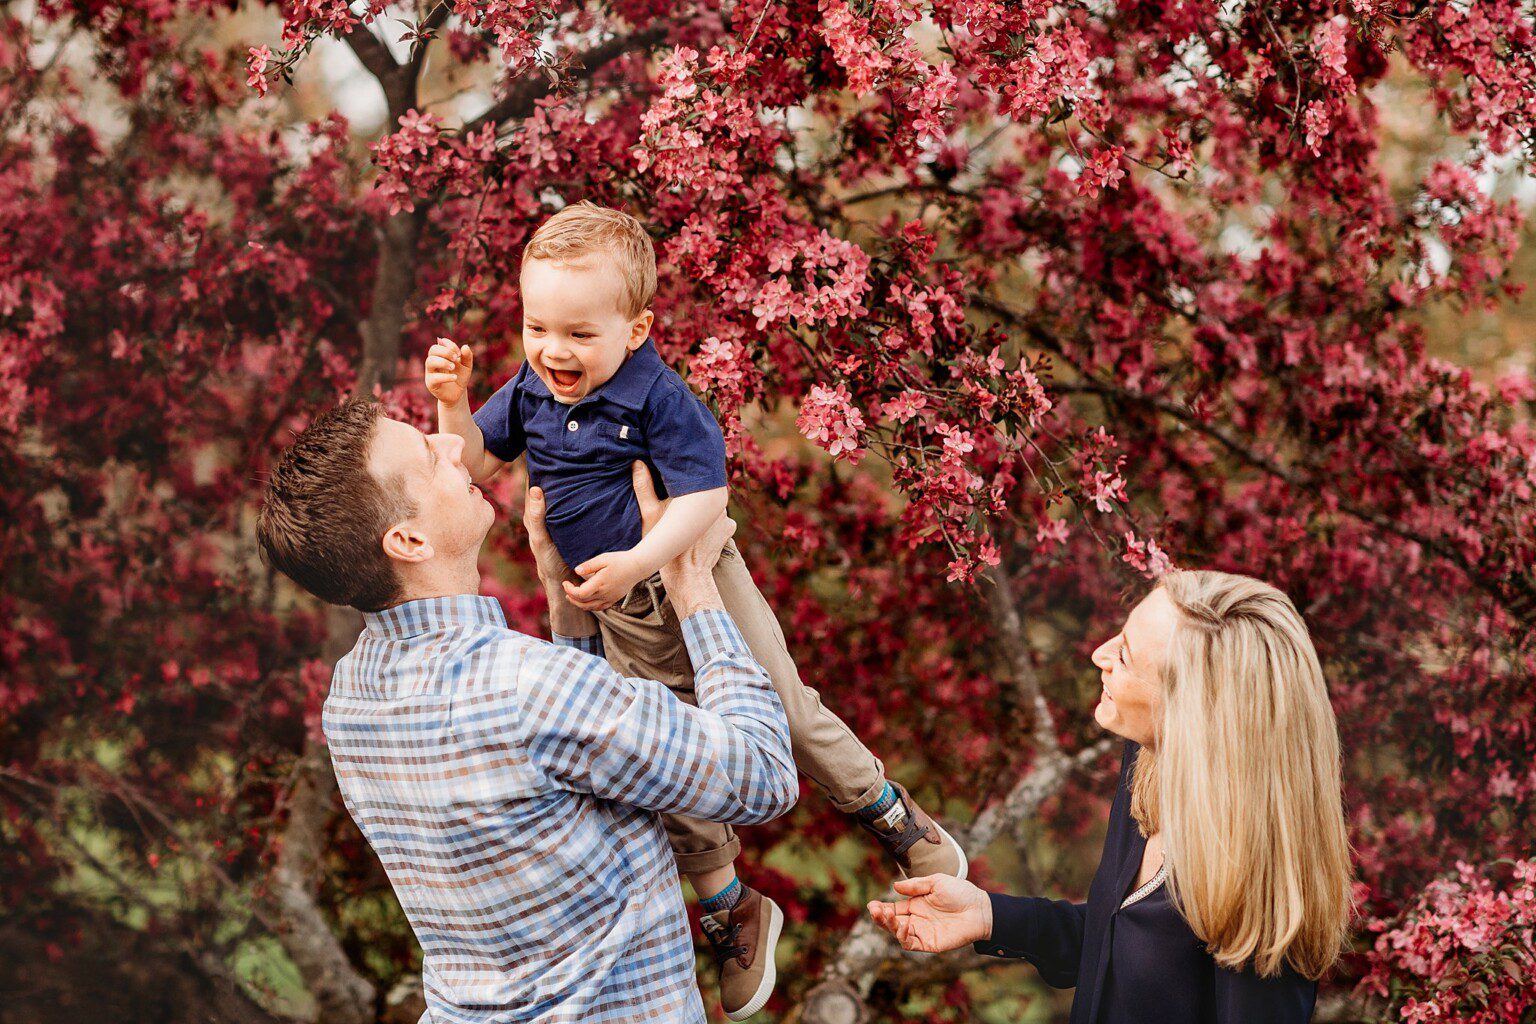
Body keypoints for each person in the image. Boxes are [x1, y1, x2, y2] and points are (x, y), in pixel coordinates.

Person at [424, 201, 966, 1018]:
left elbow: (706, 495)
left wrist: (644, 558)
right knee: (658, 751)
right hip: (610, 606)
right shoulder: (531, 390)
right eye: (539, 327)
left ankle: (888, 813)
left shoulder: (657, 396)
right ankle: (729, 906)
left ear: (636, 330)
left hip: (687, 573)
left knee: (779, 707)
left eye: (579, 333)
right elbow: (470, 459)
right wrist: (450, 401)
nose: (553, 351)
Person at [255, 398, 799, 1024]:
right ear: (408, 540)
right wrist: (691, 583)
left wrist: (564, 612)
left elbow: (549, 793)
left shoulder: (351, 702)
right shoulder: (528, 689)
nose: (454, 446)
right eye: (428, 458)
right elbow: (763, 776)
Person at [868, 571, 1354, 1023]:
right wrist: (988, 915)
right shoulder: (1147, 766)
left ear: (1190, 713)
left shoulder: (1259, 893)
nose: (1099, 654)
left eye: (1123, 656)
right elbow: (1119, 949)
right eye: (1119, 636)